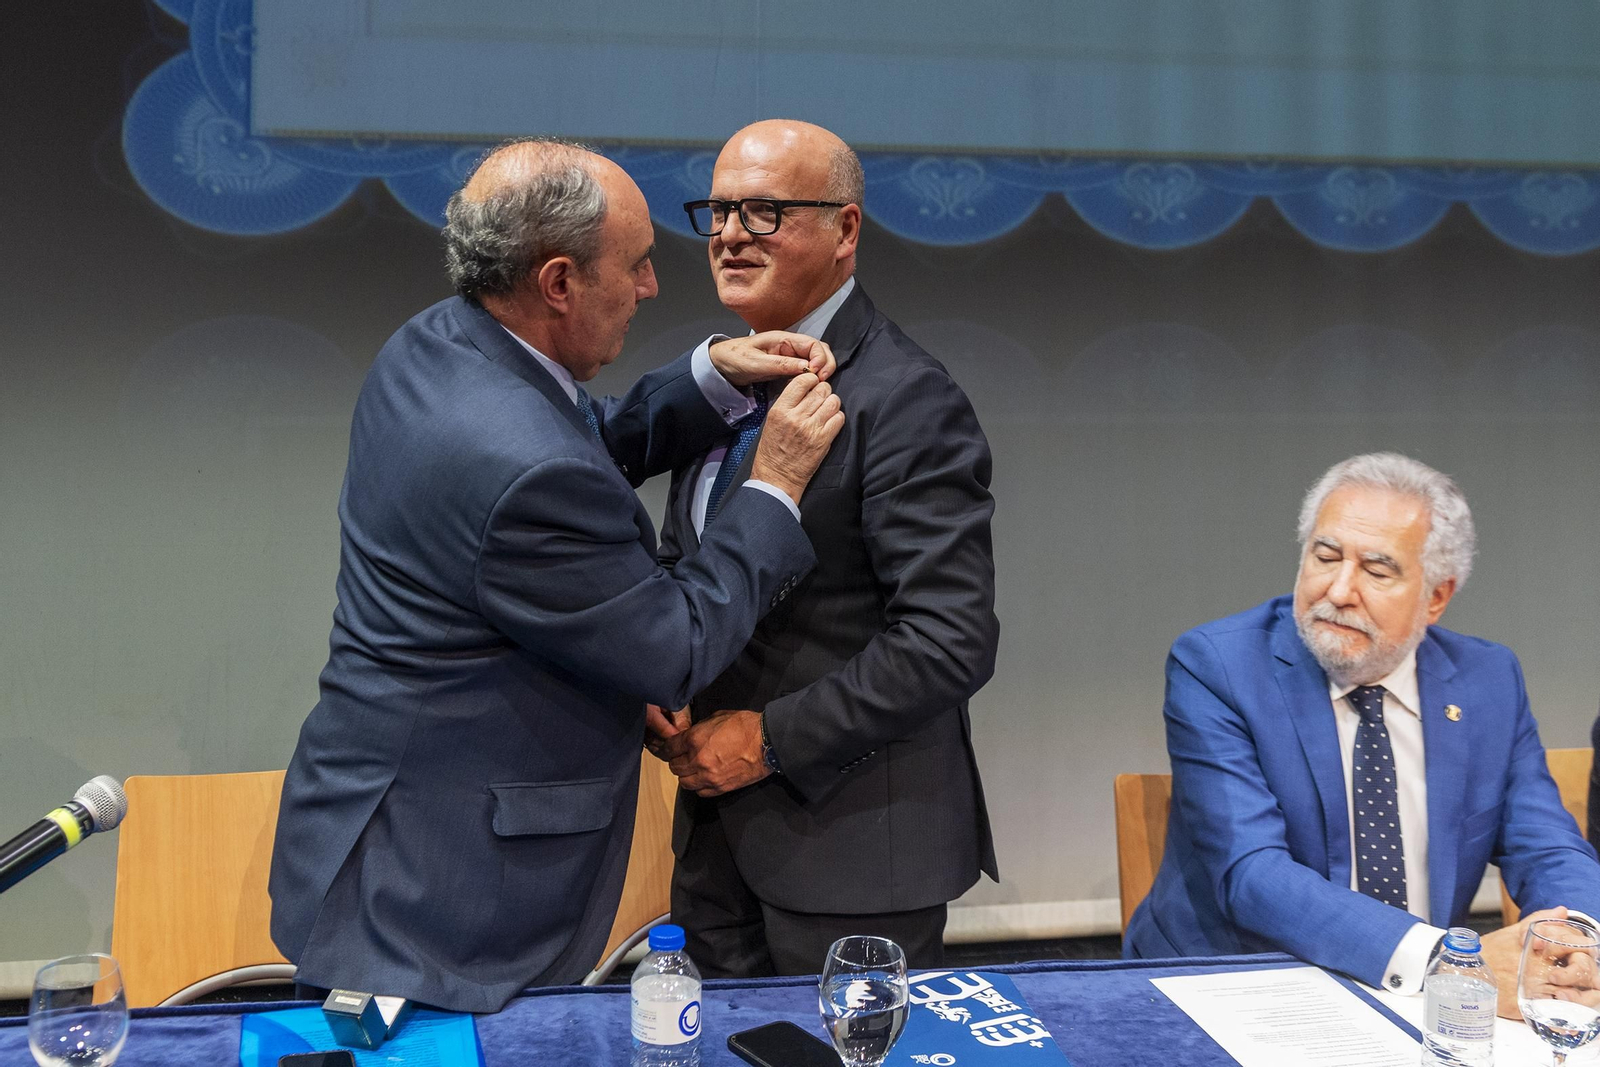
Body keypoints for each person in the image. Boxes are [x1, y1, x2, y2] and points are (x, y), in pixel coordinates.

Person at [267, 139, 847, 1013]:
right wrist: (775, 481)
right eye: (639, 265)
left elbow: (574, 436)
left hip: (378, 835)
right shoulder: (522, 466)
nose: (653, 288)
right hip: (437, 908)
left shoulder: (435, 344)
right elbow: (672, 646)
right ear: (559, 283)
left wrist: (708, 378)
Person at [649, 120, 999, 977]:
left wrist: (765, 739)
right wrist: (653, 679)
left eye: (764, 211)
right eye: (719, 210)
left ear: (845, 230)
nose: (729, 234)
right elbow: (684, 565)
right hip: (714, 842)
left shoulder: (907, 397)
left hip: (854, 855)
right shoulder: (724, 385)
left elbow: (950, 639)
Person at [1125, 452, 1600, 1015]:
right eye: (1324, 557)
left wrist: (1577, 942)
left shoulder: (1488, 680)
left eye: (1377, 571)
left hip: (1422, 999)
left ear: (1437, 597)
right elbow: (1251, 874)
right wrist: (1448, 963)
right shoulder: (1218, 666)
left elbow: (1547, 846)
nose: (1339, 589)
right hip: (1242, 983)